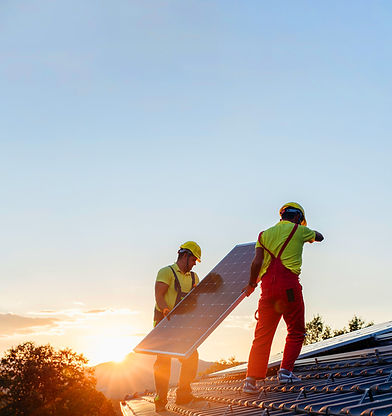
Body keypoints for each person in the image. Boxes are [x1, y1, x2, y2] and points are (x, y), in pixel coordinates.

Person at [242, 202, 324, 393]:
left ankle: (250, 380)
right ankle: (285, 372)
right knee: (296, 330)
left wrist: (252, 284)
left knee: (262, 335)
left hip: (267, 289)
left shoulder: (263, 235)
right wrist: (308, 231)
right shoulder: (299, 230)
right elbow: (320, 237)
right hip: (289, 288)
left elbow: (257, 262)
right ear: (297, 217)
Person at [153, 241, 202, 412]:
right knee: (163, 362)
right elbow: (158, 296)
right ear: (185, 256)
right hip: (164, 324)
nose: (195, 263)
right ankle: (160, 399)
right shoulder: (166, 272)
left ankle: (183, 394)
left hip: (183, 325)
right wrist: (166, 309)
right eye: (194, 259)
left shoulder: (194, 277)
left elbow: (198, 300)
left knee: (191, 355)